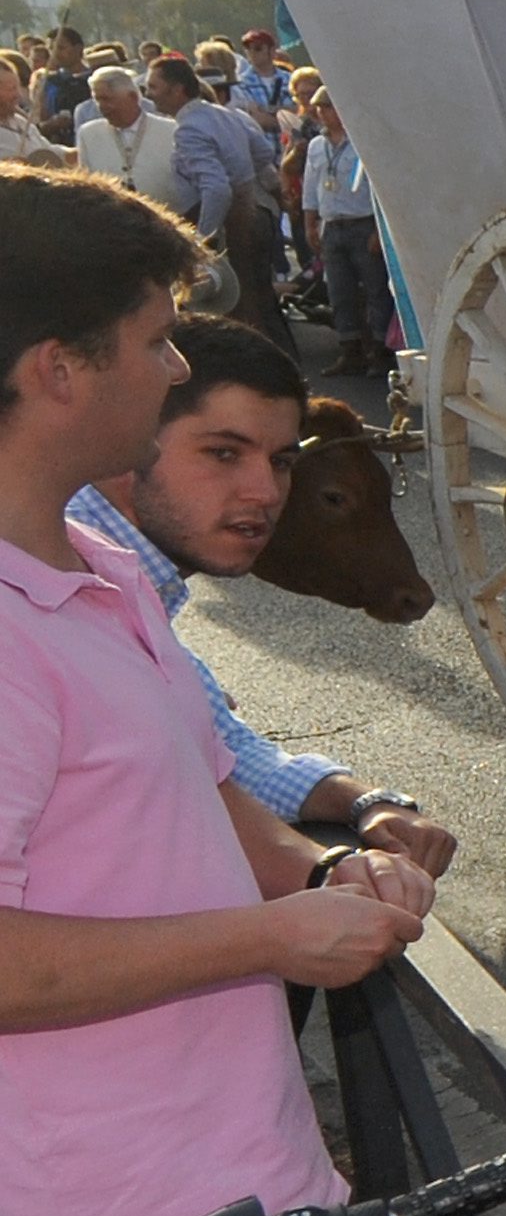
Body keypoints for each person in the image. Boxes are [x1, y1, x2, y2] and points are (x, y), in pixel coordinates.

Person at [0, 166, 436, 1216]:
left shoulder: (95, 555)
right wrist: (268, 939)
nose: (178, 365)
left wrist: (313, 874)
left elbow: (194, 782)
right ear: (58, 373)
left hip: (223, 1194)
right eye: (155, 342)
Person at [68, 320, 459, 876]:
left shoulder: (135, 580)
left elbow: (213, 740)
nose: (267, 493)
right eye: (223, 453)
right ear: (127, 439)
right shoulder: (63, 583)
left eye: (281, 462)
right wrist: (295, 912)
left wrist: (363, 801)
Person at [296, 94, 394, 384]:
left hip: (362, 222)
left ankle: (379, 349)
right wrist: (310, 223)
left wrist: (380, 229)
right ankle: (350, 347)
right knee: (340, 291)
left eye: (327, 107)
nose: (322, 113)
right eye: (320, 108)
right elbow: (310, 188)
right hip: (333, 224)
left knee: (376, 288)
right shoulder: (317, 145)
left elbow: (378, 187)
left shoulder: (361, 143)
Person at [74, 61, 183, 206]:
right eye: (97, 100)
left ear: (132, 97)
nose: (101, 106)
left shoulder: (171, 130)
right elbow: (86, 186)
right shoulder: (88, 135)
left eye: (107, 99)